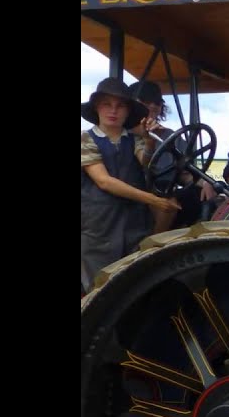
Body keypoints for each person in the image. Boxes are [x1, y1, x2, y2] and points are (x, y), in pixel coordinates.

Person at [81, 77, 182, 294]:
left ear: (128, 112)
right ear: (97, 108)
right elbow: (104, 181)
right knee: (99, 294)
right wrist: (153, 200)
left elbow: (145, 163)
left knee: (132, 291)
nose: (113, 111)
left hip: (134, 227)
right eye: (107, 104)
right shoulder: (85, 140)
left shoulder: (134, 140)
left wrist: (149, 140)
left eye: (120, 106)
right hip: (99, 229)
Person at [130, 80, 217, 231]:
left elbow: (184, 172)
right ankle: (152, 246)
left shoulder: (170, 136)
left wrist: (205, 182)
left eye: (156, 102)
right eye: (146, 101)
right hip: (137, 194)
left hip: (167, 191)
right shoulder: (126, 136)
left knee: (205, 195)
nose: (152, 106)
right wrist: (148, 140)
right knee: (166, 198)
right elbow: (144, 162)